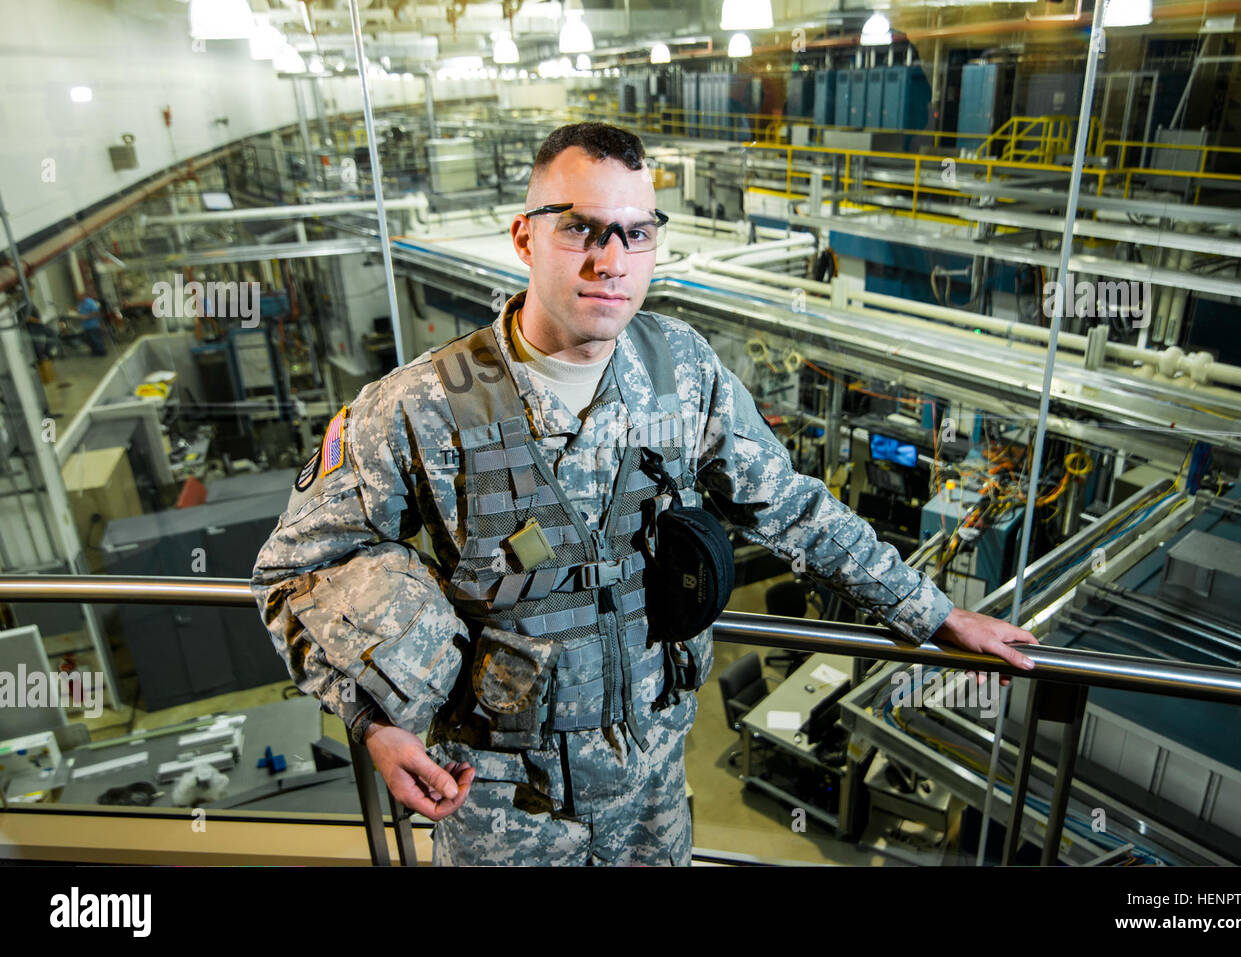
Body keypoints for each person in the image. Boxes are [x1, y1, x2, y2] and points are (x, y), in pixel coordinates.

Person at [250, 122, 1037, 866]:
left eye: (636, 231)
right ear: (524, 237)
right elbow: (294, 568)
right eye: (581, 228)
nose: (612, 260)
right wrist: (374, 719)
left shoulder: (680, 369)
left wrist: (932, 612)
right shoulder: (421, 404)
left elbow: (791, 505)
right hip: (498, 803)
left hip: (653, 783)